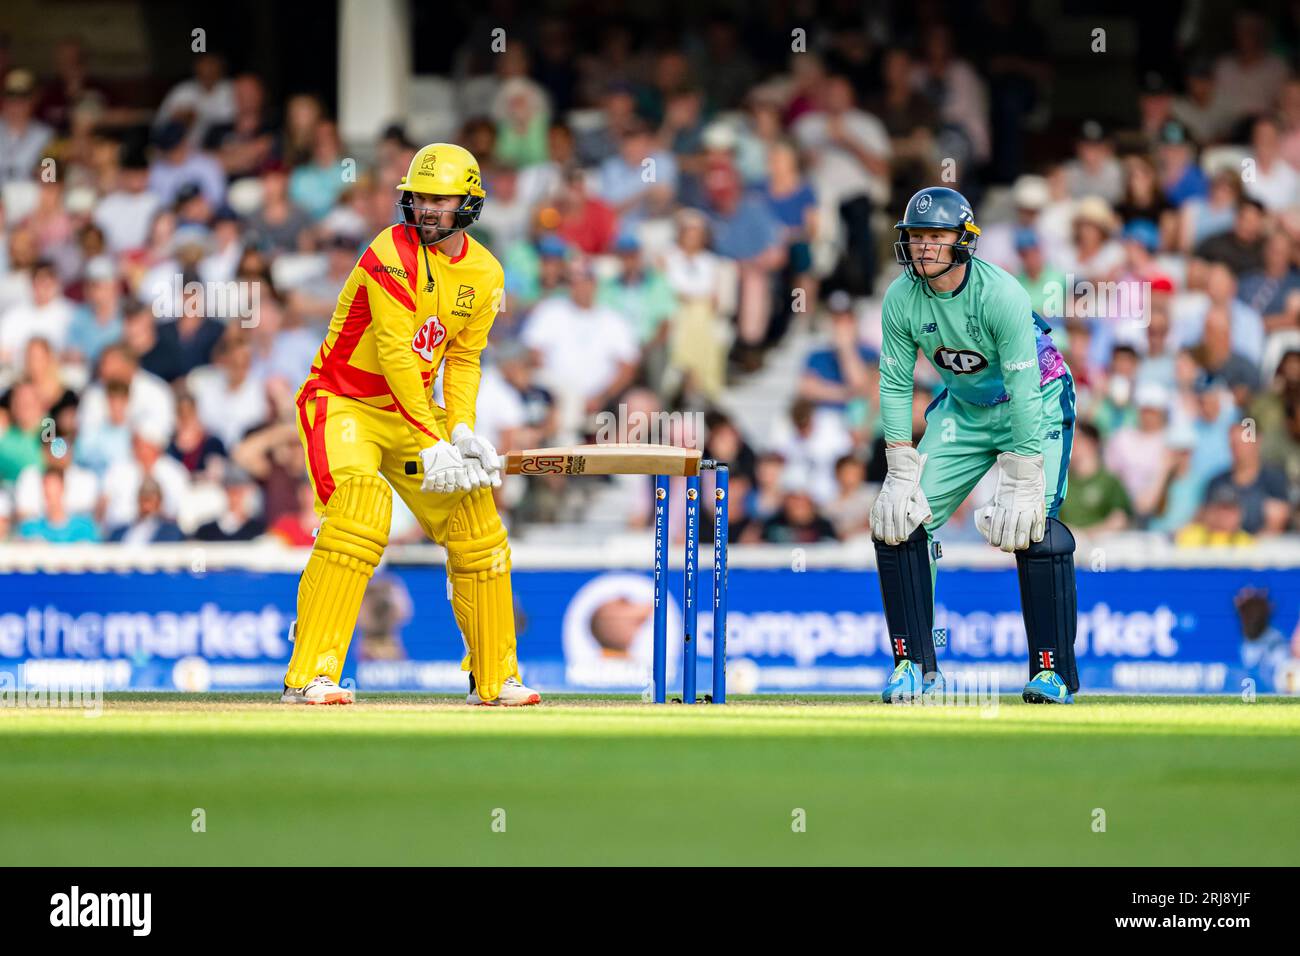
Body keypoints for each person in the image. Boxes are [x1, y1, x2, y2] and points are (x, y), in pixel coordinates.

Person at [284, 142, 538, 707]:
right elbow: (399, 355)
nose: (424, 209)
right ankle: (311, 676)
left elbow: (465, 360)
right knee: (360, 509)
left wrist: (464, 432)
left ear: (469, 204)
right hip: (342, 402)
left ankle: (496, 680)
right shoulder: (388, 251)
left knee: (478, 522)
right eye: (418, 197)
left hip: (411, 411)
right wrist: (433, 441)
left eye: (438, 200)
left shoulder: (487, 273)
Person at [872, 186, 1079, 705]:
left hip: (1033, 401)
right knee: (901, 516)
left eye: (936, 236)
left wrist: (1024, 470)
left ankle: (1052, 672)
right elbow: (895, 382)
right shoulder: (901, 297)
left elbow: (1025, 387)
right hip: (964, 409)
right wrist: (899, 464)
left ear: (963, 241)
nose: (923, 247)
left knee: (1032, 524)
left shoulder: (1001, 294)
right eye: (916, 236)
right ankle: (914, 664)